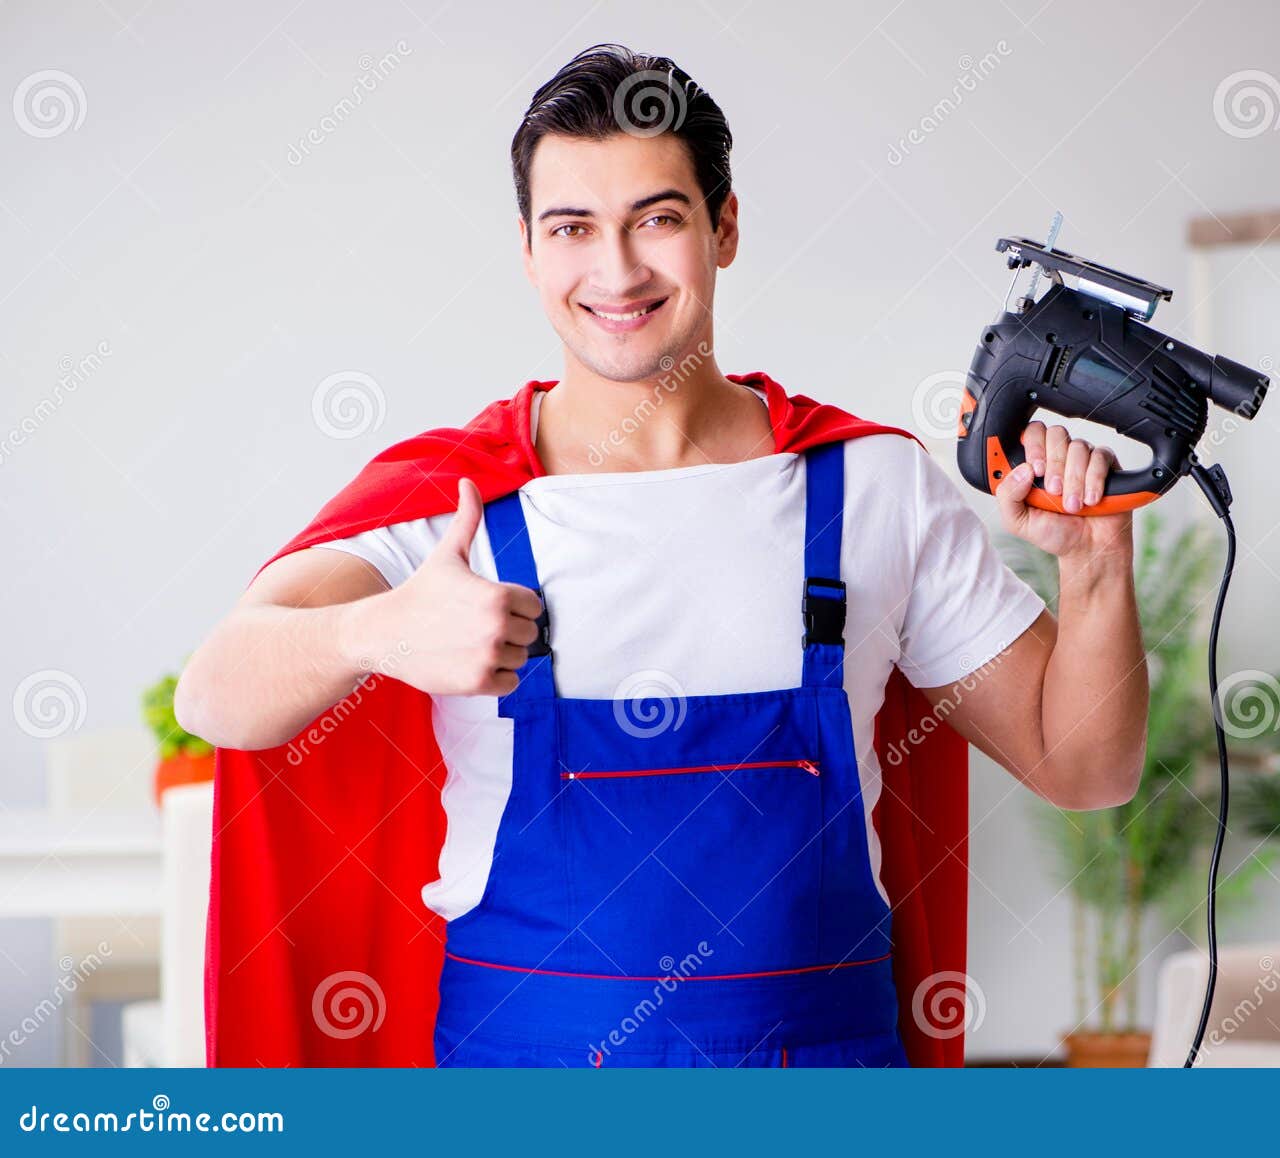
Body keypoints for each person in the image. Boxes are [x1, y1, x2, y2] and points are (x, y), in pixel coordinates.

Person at [176, 42, 1148, 1068]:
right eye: (573, 229)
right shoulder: (458, 502)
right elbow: (216, 693)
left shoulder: (870, 486)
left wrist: (1094, 569)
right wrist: (378, 629)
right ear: (528, 250)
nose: (618, 270)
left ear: (724, 229)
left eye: (658, 218)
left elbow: (1085, 765)